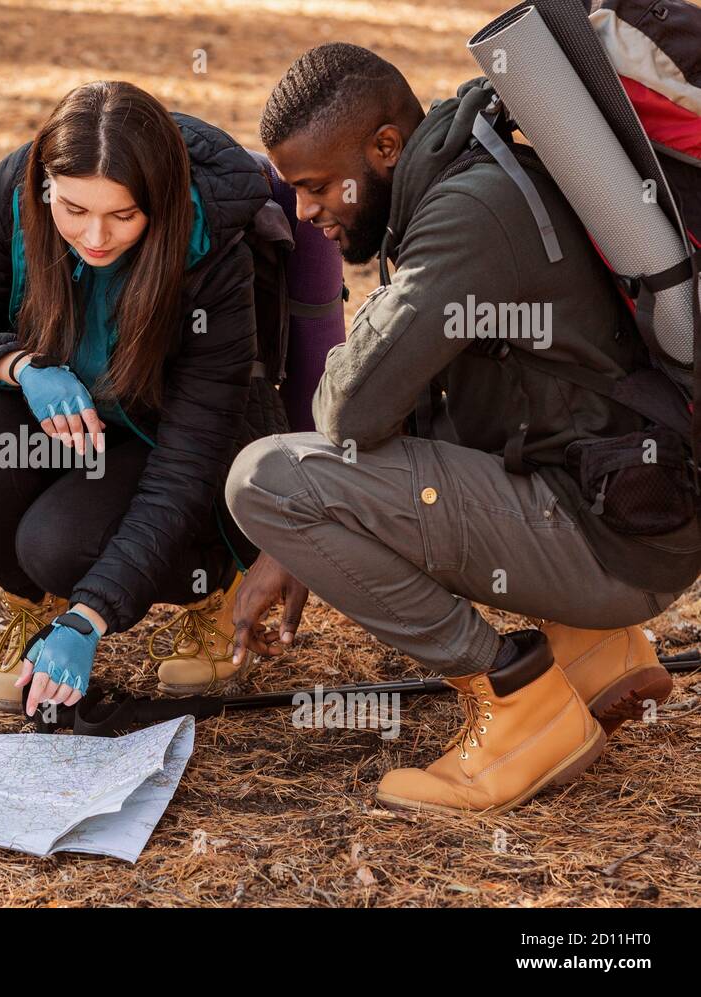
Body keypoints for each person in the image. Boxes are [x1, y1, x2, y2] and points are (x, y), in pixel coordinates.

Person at [226, 43, 701, 814]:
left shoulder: (469, 213)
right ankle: (593, 646)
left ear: (385, 147)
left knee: (269, 481)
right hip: (631, 507)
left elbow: (349, 413)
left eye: (315, 187)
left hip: (615, 541)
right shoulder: (469, 168)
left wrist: (292, 525)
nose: (305, 211)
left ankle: (517, 700)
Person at [0, 80, 284, 716]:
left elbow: (187, 462)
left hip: (175, 445)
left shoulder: (212, 255)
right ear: (44, 187)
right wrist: (20, 365)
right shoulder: (9, 198)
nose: (94, 237)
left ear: (162, 203)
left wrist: (91, 616)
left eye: (123, 216)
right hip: (76, 421)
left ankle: (212, 590)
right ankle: (34, 617)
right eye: (73, 210)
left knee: (58, 547)